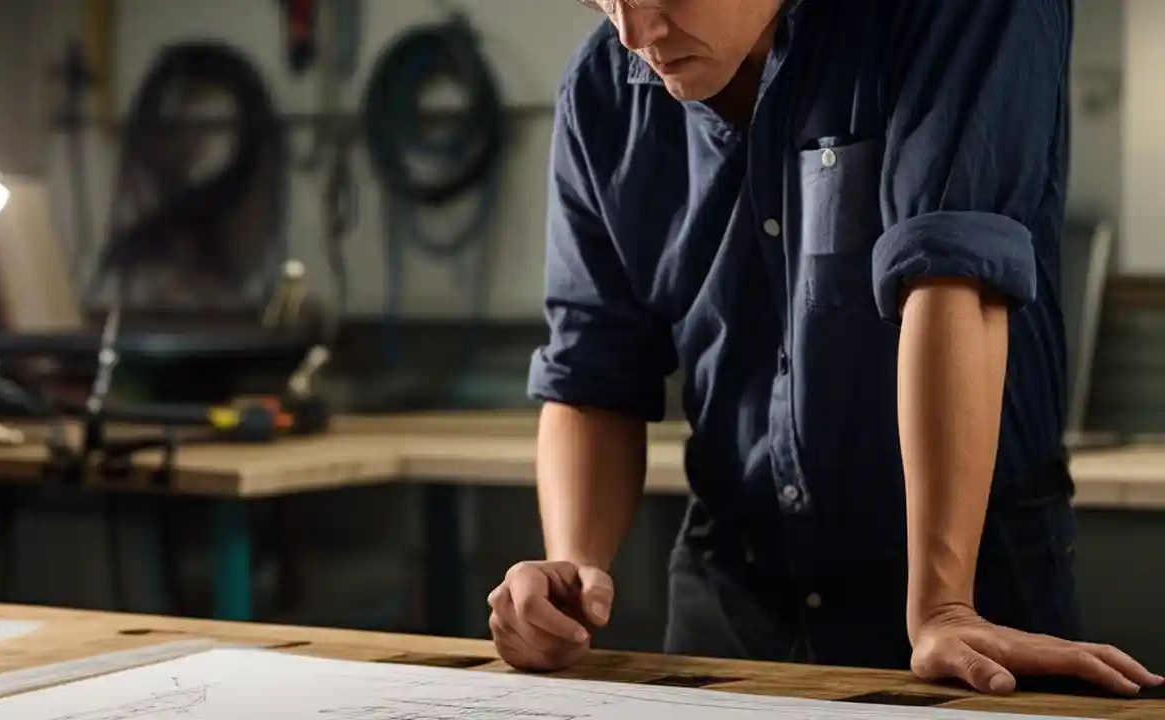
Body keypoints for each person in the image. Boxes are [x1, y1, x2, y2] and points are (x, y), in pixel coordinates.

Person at [487, 0, 1164, 696]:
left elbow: (951, 268)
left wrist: (943, 606)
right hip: (734, 602)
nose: (635, 32)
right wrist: (571, 568)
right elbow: (594, 368)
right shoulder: (602, 88)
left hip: (977, 611)